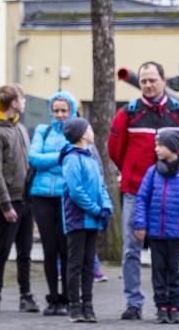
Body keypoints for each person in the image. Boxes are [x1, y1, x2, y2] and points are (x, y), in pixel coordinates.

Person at [108, 60, 179, 321]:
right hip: (136, 191)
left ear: (163, 80)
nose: (147, 85)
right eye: (143, 80)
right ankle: (134, 302)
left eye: (152, 80)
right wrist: (132, 171)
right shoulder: (128, 113)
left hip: (172, 194)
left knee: (175, 251)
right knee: (131, 249)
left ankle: (174, 303)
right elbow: (115, 150)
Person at [0, 83, 39, 313]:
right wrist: (5, 204)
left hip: (26, 200)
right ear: (13, 103)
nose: (24, 103)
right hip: (8, 202)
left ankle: (26, 295)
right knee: (2, 249)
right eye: (22, 99)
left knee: (25, 250)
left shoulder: (19, 128)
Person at [133, 128, 179, 325]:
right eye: (156, 145)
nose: (156, 149)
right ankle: (161, 307)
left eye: (160, 145)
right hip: (156, 235)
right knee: (158, 272)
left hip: (178, 236)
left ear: (172, 147)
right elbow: (142, 199)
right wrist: (140, 225)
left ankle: (176, 306)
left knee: (177, 272)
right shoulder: (152, 172)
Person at [28, 90, 78, 315]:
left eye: (64, 111)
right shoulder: (42, 130)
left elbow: (74, 158)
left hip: (66, 196)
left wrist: (51, 160)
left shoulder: (76, 132)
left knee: (65, 249)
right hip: (42, 196)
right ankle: (52, 299)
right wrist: (59, 157)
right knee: (49, 249)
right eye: (56, 110)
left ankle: (67, 298)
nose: (59, 115)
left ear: (71, 111)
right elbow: (34, 158)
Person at [60, 117, 112, 323]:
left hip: (93, 219)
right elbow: (76, 191)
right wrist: (96, 209)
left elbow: (101, 186)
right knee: (75, 263)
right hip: (78, 219)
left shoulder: (91, 158)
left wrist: (106, 207)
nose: (93, 131)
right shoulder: (71, 158)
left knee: (89, 263)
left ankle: (88, 304)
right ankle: (74, 305)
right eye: (90, 128)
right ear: (82, 134)